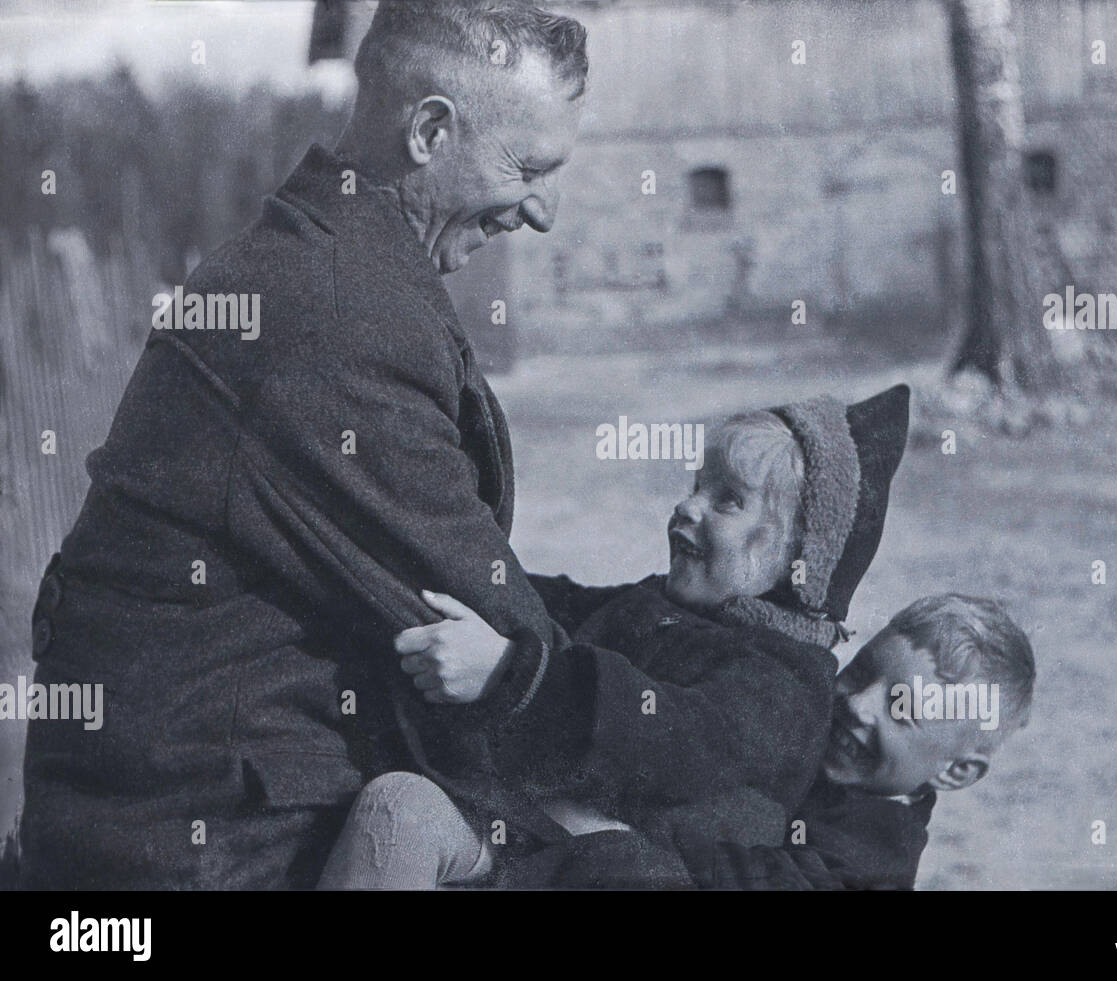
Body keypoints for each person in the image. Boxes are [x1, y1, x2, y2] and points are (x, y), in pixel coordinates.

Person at [20, 0, 591, 889]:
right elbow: (497, 634)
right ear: (431, 132)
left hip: (180, 810)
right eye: (528, 167)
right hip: (196, 849)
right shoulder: (335, 313)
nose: (545, 211)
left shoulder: (318, 258)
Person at [317, 386, 912, 889]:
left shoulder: (782, 682)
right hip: (531, 843)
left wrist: (509, 675)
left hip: (623, 873)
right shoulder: (661, 606)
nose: (688, 506)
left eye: (727, 500)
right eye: (697, 484)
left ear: (800, 557)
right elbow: (556, 606)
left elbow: (659, 732)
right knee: (399, 809)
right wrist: (460, 571)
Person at [681, 593, 1037, 890]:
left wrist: (655, 843)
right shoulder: (808, 739)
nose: (858, 704)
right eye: (861, 672)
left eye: (899, 708)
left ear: (956, 771)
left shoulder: (876, 858)